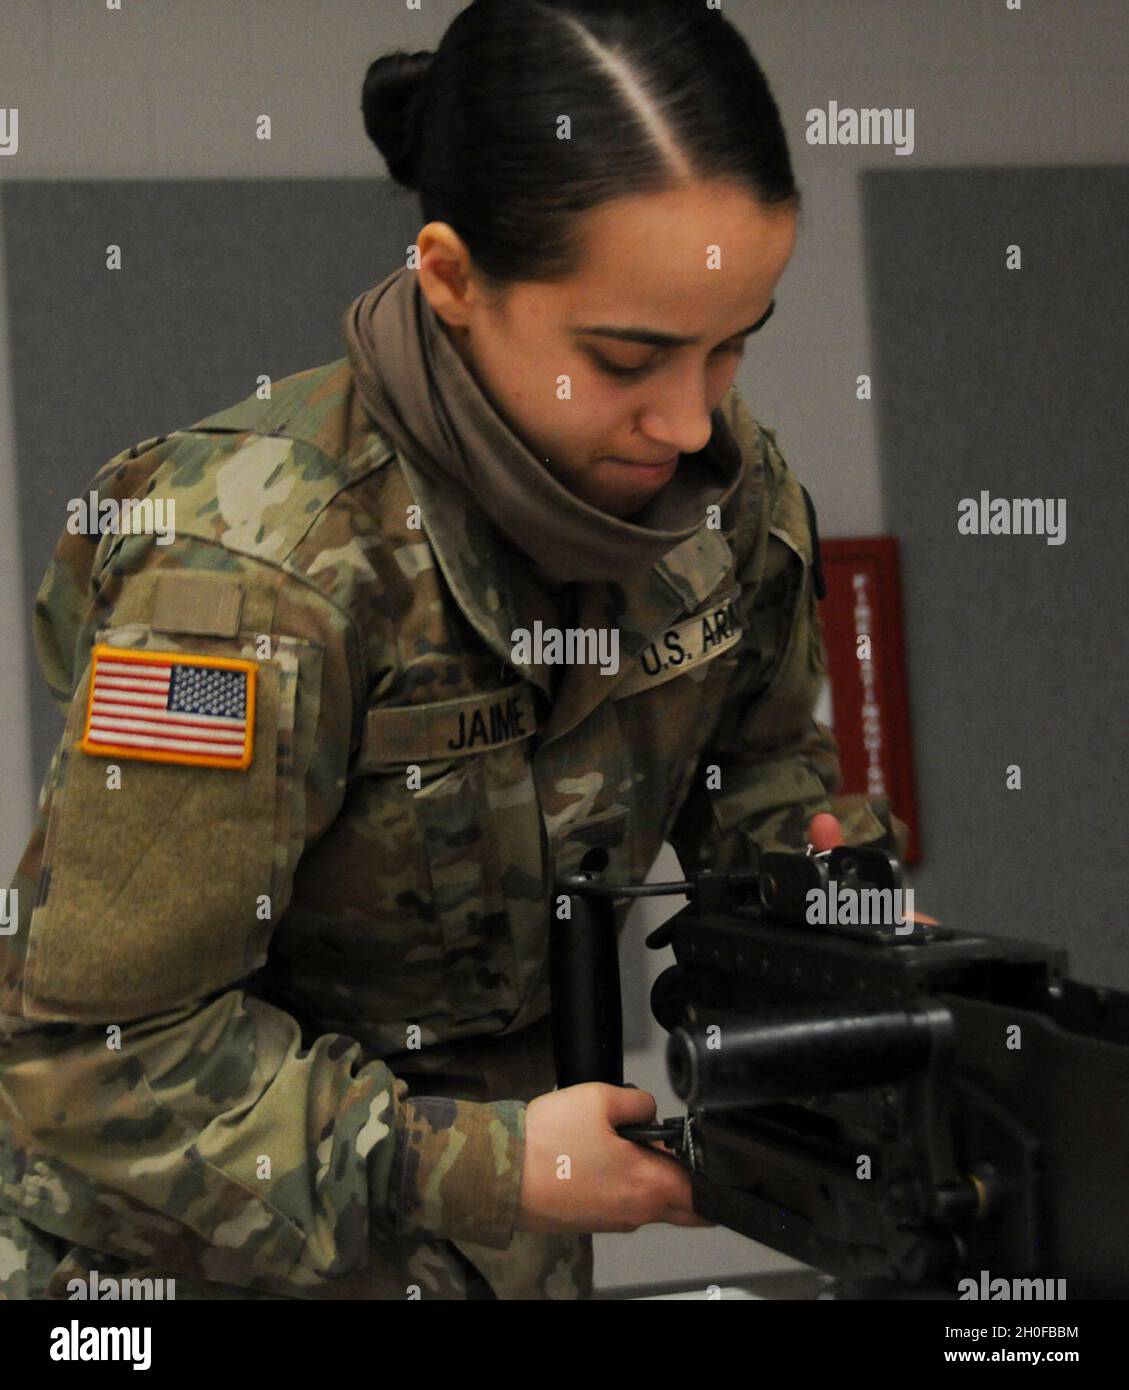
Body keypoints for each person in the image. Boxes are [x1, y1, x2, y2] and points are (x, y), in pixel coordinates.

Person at [0, 0, 908, 1300]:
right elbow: (95, 1062)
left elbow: (759, 778)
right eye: (625, 356)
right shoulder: (252, 567)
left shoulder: (727, 490)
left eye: (732, 343)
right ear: (451, 278)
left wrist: (838, 916)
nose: (688, 415)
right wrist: (486, 1164)